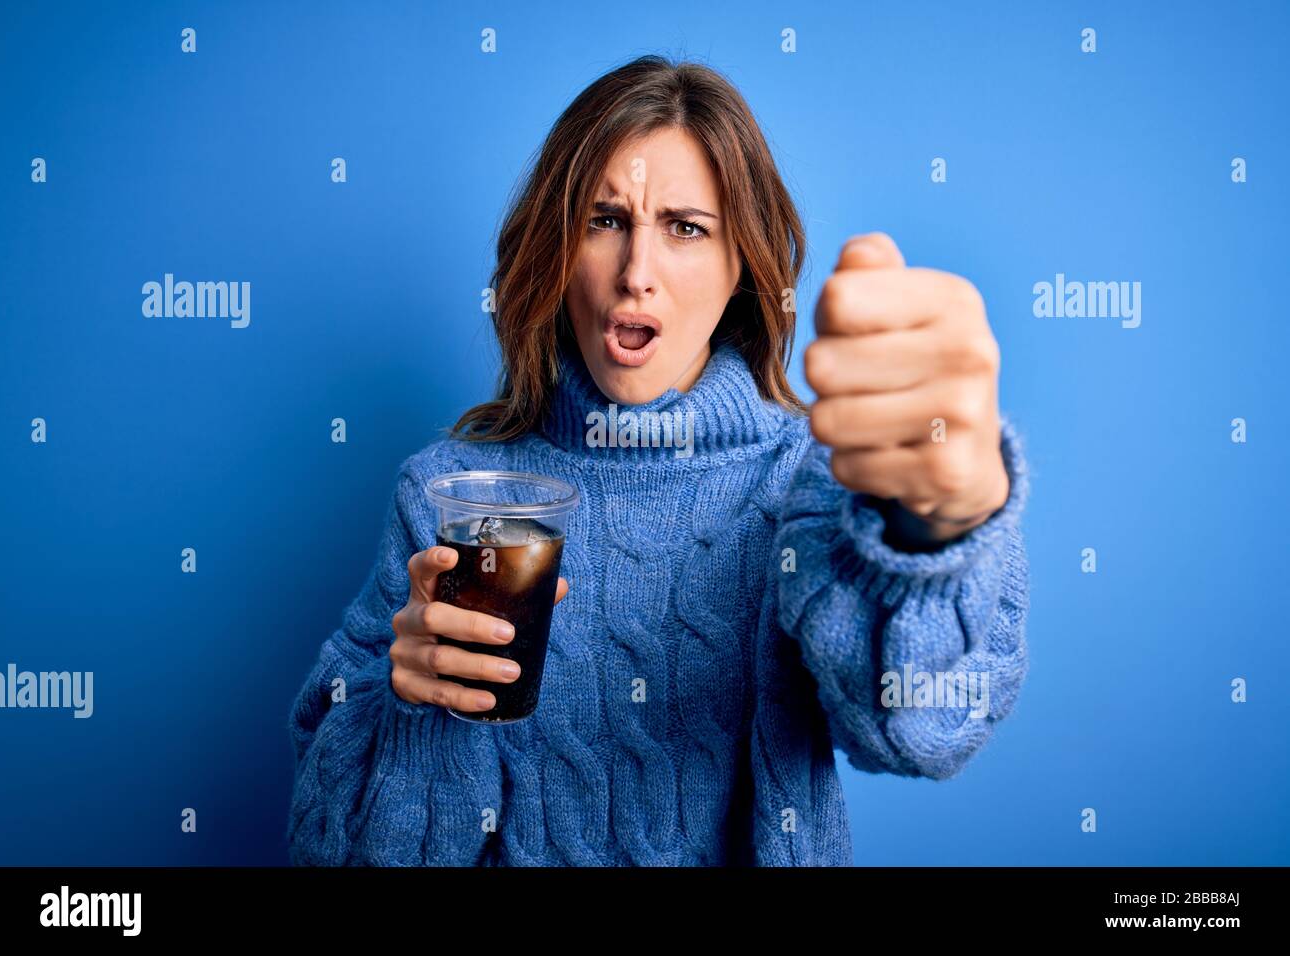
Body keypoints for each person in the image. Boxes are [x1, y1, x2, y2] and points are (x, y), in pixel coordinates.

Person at [287, 54, 1030, 866]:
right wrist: (413, 707)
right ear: (559, 247)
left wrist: (936, 535)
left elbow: (922, 733)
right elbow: (340, 855)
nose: (637, 274)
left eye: (686, 228)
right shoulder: (448, 496)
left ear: (739, 264)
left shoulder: (808, 487)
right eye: (605, 221)